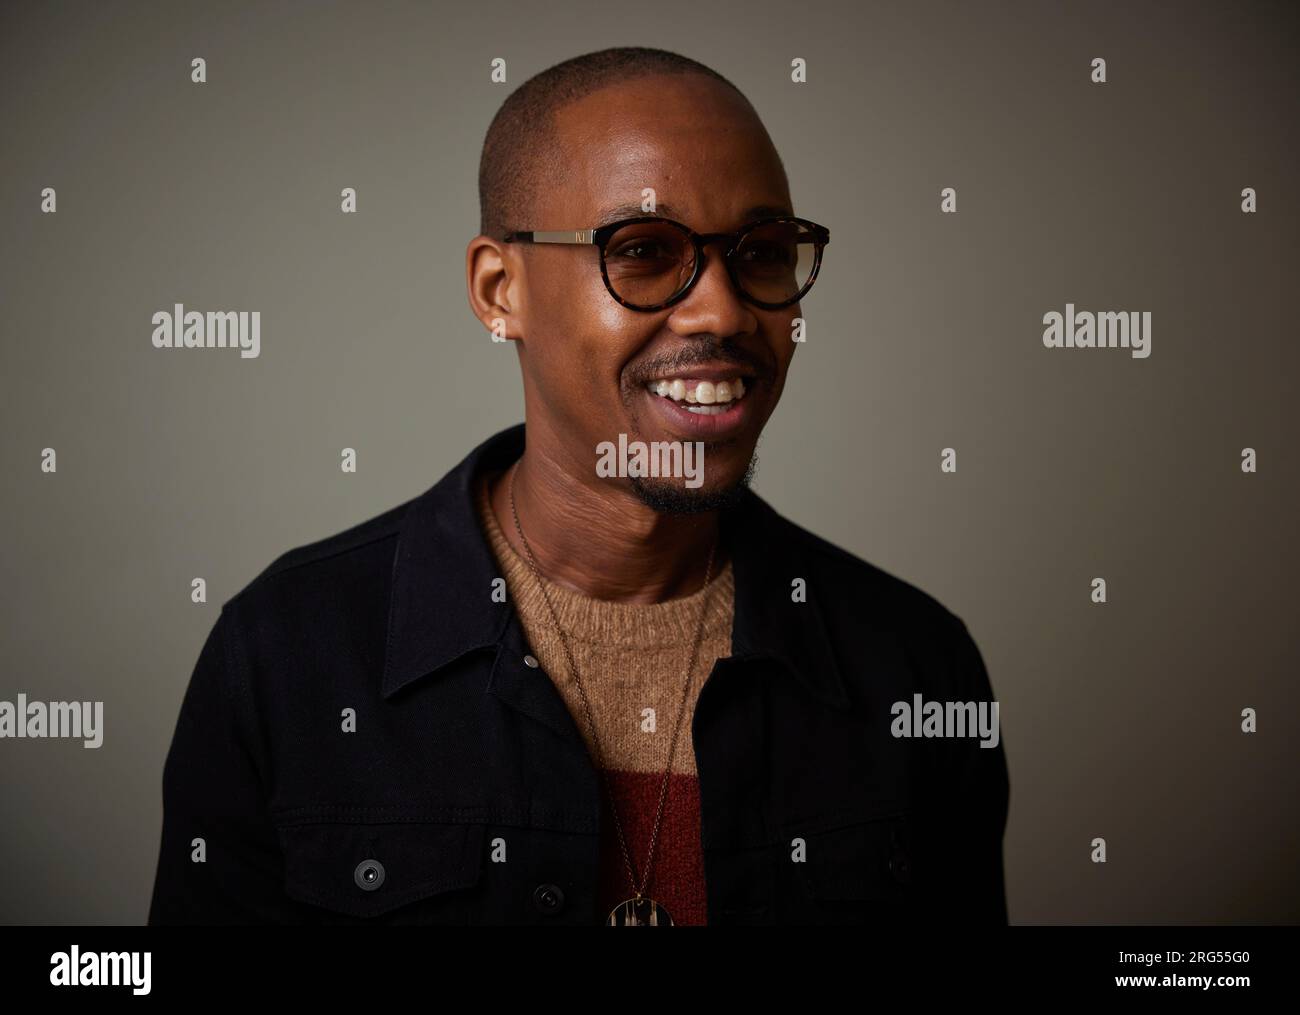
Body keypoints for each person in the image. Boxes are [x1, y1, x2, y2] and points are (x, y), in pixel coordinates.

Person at [148, 45, 1009, 926]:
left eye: (762, 252)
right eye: (640, 250)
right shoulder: (287, 655)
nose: (721, 312)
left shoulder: (914, 668)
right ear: (498, 290)